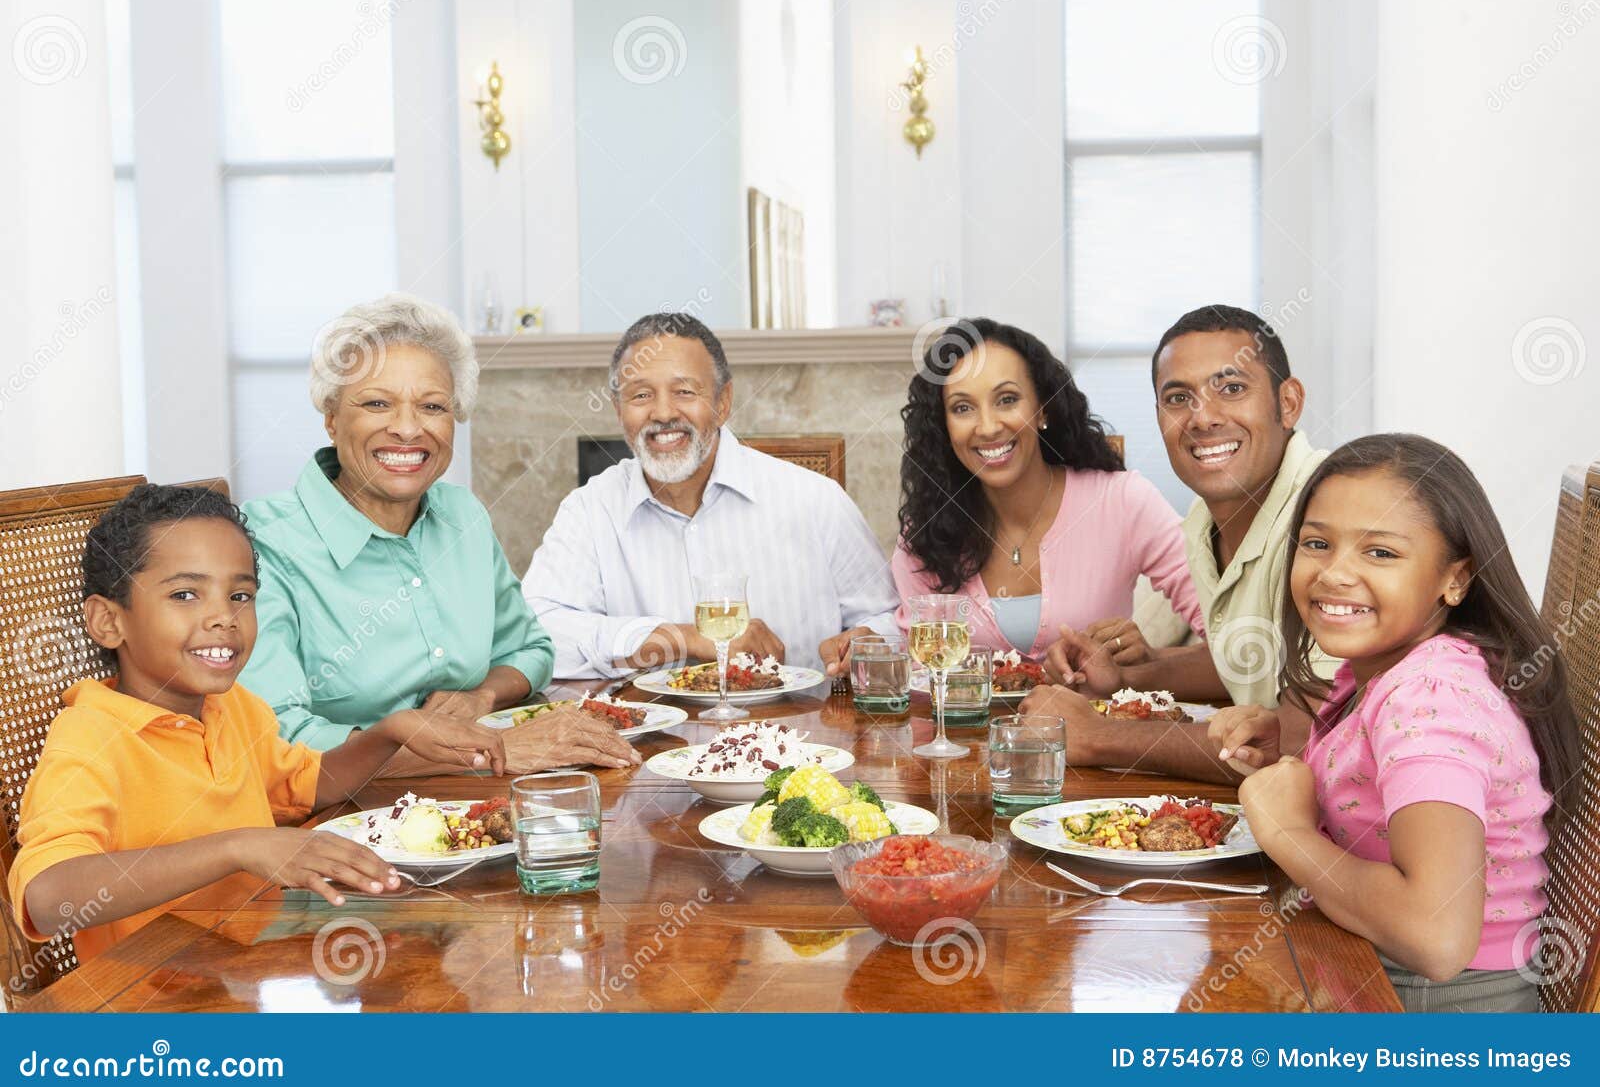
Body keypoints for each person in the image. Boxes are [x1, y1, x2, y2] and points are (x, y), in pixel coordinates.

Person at [8, 485, 509, 963]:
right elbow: (49, 896)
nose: (223, 617)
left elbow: (307, 785)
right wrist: (238, 846)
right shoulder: (90, 737)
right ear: (108, 622)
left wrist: (391, 730)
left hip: (251, 963)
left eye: (240, 596)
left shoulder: (234, 707)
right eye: (185, 595)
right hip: (153, 1000)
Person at [1213, 434, 1579, 1010]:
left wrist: (1290, 833)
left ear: (1454, 579)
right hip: (1373, 968)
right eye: (1317, 543)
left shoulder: (1429, 698)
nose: (1334, 573)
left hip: (1437, 1009)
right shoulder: (1388, 672)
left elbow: (1435, 938)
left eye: (1379, 552)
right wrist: (1303, 768)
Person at [239, 294, 639, 774]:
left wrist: (481, 696)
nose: (408, 429)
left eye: (432, 406)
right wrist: (487, 751)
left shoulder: (462, 515)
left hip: (471, 792)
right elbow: (278, 741)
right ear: (331, 417)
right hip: (340, 818)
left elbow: (529, 649)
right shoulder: (262, 543)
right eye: (376, 403)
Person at [1024, 304, 1335, 780]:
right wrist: (1129, 676)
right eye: (1177, 398)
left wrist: (1095, 736)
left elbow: (1297, 739)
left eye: (1231, 388)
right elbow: (1256, 657)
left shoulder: (1331, 519)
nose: (1202, 417)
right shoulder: (1201, 520)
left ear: (1287, 402)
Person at [524, 312, 899, 678]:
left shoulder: (817, 500)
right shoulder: (590, 510)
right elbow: (536, 635)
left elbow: (890, 622)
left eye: (685, 391)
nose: (663, 412)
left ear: (722, 402)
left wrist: (867, 642)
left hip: (800, 732)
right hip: (648, 738)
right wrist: (684, 638)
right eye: (640, 395)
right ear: (618, 410)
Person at [892, 317, 1203, 659]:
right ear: (945, 426)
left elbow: (1225, 630)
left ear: (1041, 409)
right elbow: (921, 672)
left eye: (1007, 399)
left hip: (1094, 713)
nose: (989, 426)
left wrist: (1150, 662)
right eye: (963, 408)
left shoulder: (1123, 500)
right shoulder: (924, 530)